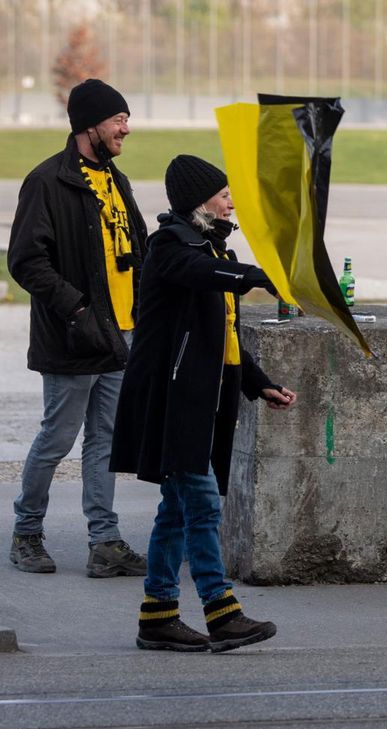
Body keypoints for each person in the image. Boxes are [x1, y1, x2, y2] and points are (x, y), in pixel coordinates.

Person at [109, 155, 296, 652]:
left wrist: (259, 383)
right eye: (222, 192)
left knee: (175, 512)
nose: (230, 199)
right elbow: (201, 273)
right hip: (173, 402)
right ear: (198, 202)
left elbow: (225, 336)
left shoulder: (216, 253)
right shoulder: (170, 246)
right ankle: (222, 611)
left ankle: (158, 617)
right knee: (202, 506)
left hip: (202, 401)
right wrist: (261, 275)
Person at [7, 78, 149, 578]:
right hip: (74, 335)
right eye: (118, 120)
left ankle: (104, 542)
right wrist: (79, 311)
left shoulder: (116, 180)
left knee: (106, 440)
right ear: (90, 124)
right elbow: (25, 261)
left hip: (121, 335)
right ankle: (26, 532)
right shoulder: (48, 181)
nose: (126, 129)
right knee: (57, 437)